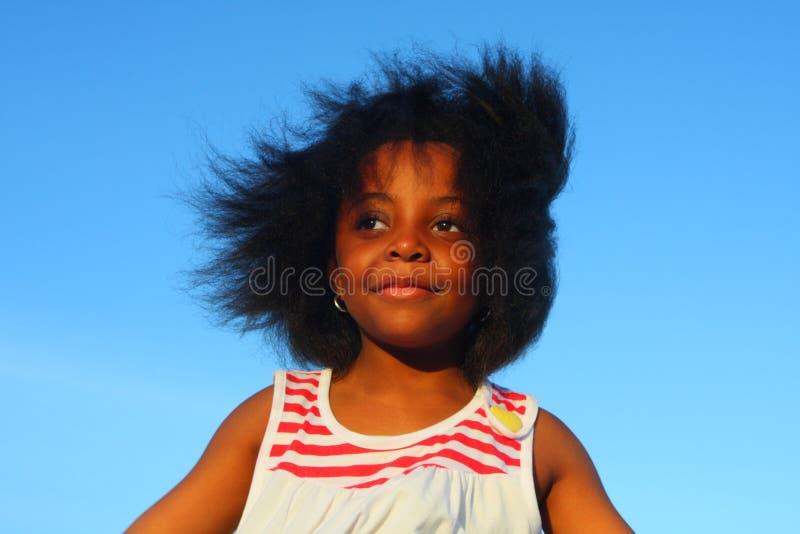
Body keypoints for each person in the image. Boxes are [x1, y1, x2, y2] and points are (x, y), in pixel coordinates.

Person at [127, 42, 634, 533]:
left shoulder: (532, 444)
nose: (406, 245)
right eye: (372, 222)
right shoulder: (274, 425)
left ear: (495, 267)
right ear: (330, 269)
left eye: (447, 225)